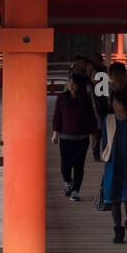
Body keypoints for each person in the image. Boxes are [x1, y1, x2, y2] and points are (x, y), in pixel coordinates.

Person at [100, 90, 127, 243]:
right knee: (114, 199)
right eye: (114, 101)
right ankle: (118, 229)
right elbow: (105, 142)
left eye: (117, 102)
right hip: (113, 163)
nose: (114, 104)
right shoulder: (108, 120)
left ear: (125, 104)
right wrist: (106, 157)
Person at [51, 71, 97, 202]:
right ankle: (67, 181)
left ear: (79, 85)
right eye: (70, 82)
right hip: (65, 137)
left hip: (82, 138)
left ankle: (75, 190)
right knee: (65, 165)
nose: (71, 85)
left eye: (74, 83)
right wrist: (55, 132)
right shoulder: (62, 98)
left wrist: (93, 134)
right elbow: (57, 116)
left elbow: (91, 118)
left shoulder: (85, 99)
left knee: (78, 165)